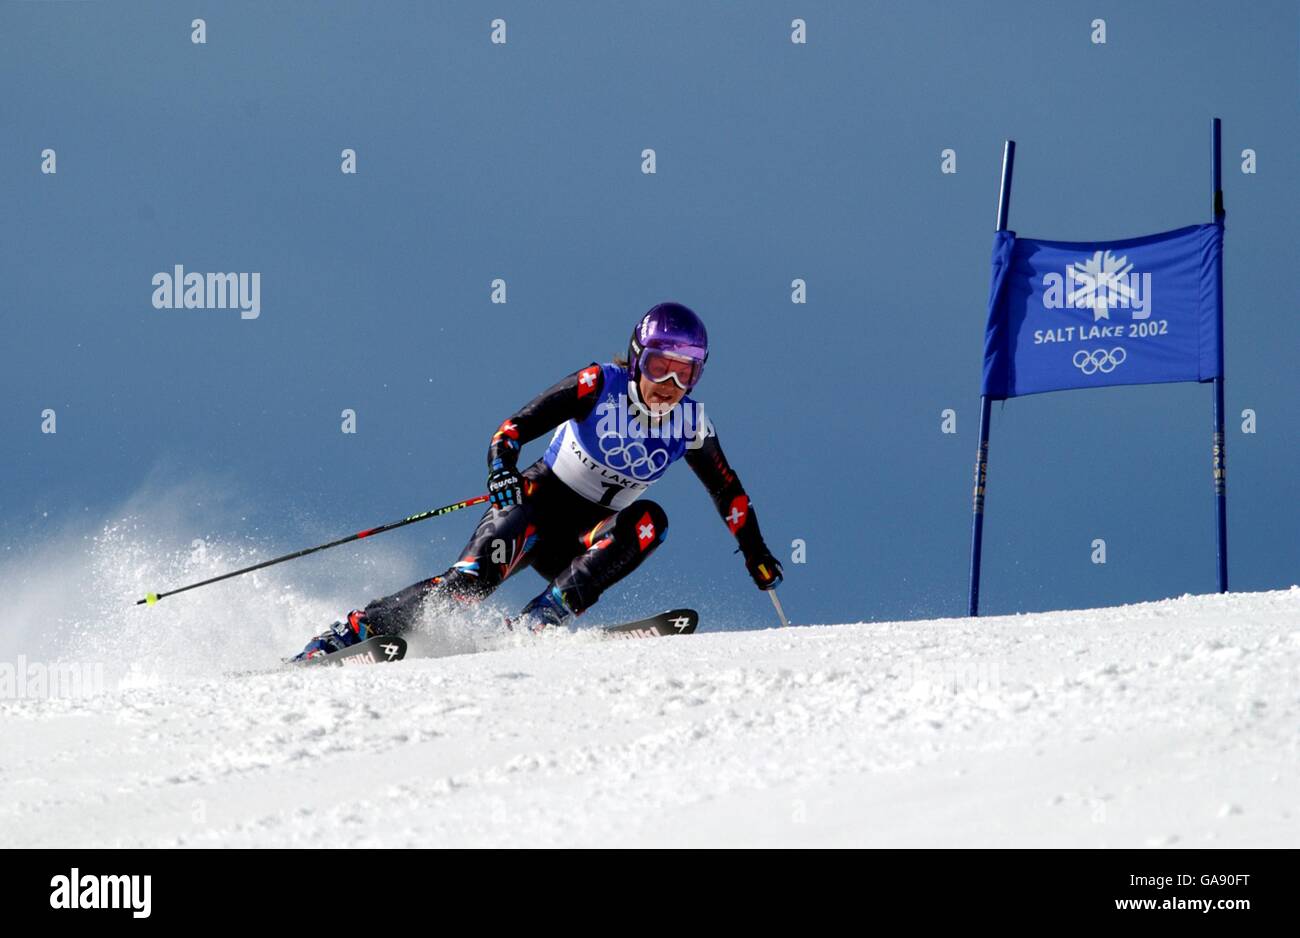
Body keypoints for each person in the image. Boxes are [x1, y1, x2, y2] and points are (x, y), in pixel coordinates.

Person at [293, 302, 782, 660]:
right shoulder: (599, 384)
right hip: (531, 510)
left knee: (650, 521)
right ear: (637, 358)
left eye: (685, 375)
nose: (669, 387)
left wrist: (755, 550)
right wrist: (501, 471)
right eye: (660, 367)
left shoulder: (690, 425)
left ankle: (538, 620)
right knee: (468, 587)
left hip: (583, 542)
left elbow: (728, 492)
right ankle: (348, 634)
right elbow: (512, 430)